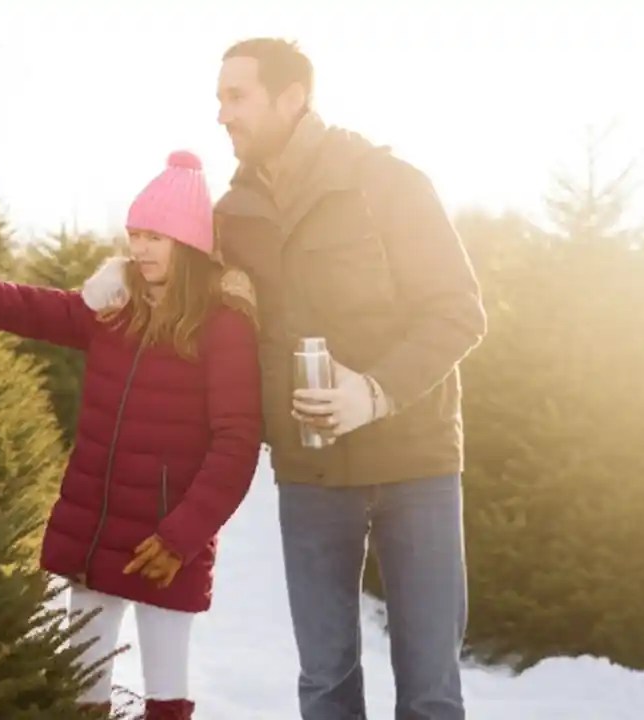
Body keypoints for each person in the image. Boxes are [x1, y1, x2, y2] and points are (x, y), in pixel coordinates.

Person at [0, 150, 262, 720]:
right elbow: (23, 306)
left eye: (156, 235)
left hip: (164, 546)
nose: (140, 248)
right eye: (135, 234)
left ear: (189, 243)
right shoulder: (114, 309)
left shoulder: (222, 326)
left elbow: (236, 444)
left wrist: (180, 537)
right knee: (80, 687)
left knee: (166, 695)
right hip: (95, 531)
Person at [212, 37, 487, 720]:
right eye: (219, 99)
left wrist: (373, 392)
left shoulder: (387, 183)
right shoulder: (233, 214)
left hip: (415, 465)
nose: (222, 114)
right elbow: (176, 291)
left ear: (292, 98)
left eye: (236, 97)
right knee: (326, 684)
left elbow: (459, 312)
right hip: (311, 478)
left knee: (428, 689)